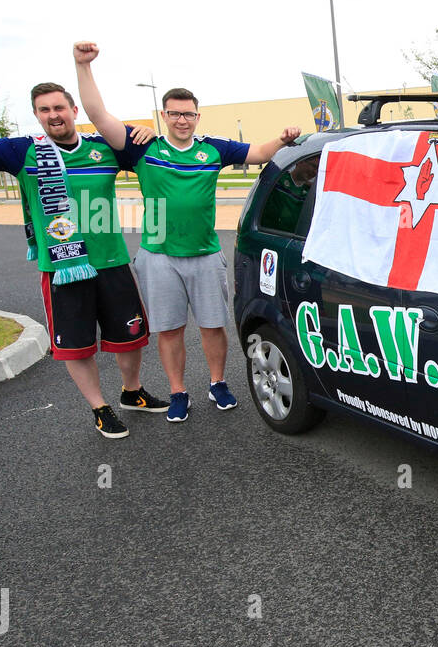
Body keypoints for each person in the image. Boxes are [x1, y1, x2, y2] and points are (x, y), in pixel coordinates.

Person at [73, 42, 301, 422]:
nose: (182, 120)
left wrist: (285, 136)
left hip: (205, 253)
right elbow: (98, 115)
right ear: (164, 115)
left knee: (213, 326)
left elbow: (260, 152)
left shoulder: (213, 149)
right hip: (159, 257)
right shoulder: (142, 148)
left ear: (197, 116)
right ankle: (178, 391)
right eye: (175, 114)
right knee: (170, 330)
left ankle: (217, 383)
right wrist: (83, 66)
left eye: (188, 114)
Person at [0, 76, 167, 438]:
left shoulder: (104, 146)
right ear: (37, 115)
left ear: (74, 110)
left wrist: (142, 131)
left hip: (111, 261)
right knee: (77, 345)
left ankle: (132, 391)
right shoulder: (23, 151)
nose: (53, 115)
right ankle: (100, 407)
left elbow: (151, 148)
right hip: (63, 269)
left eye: (59, 107)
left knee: (131, 336)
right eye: (44, 110)